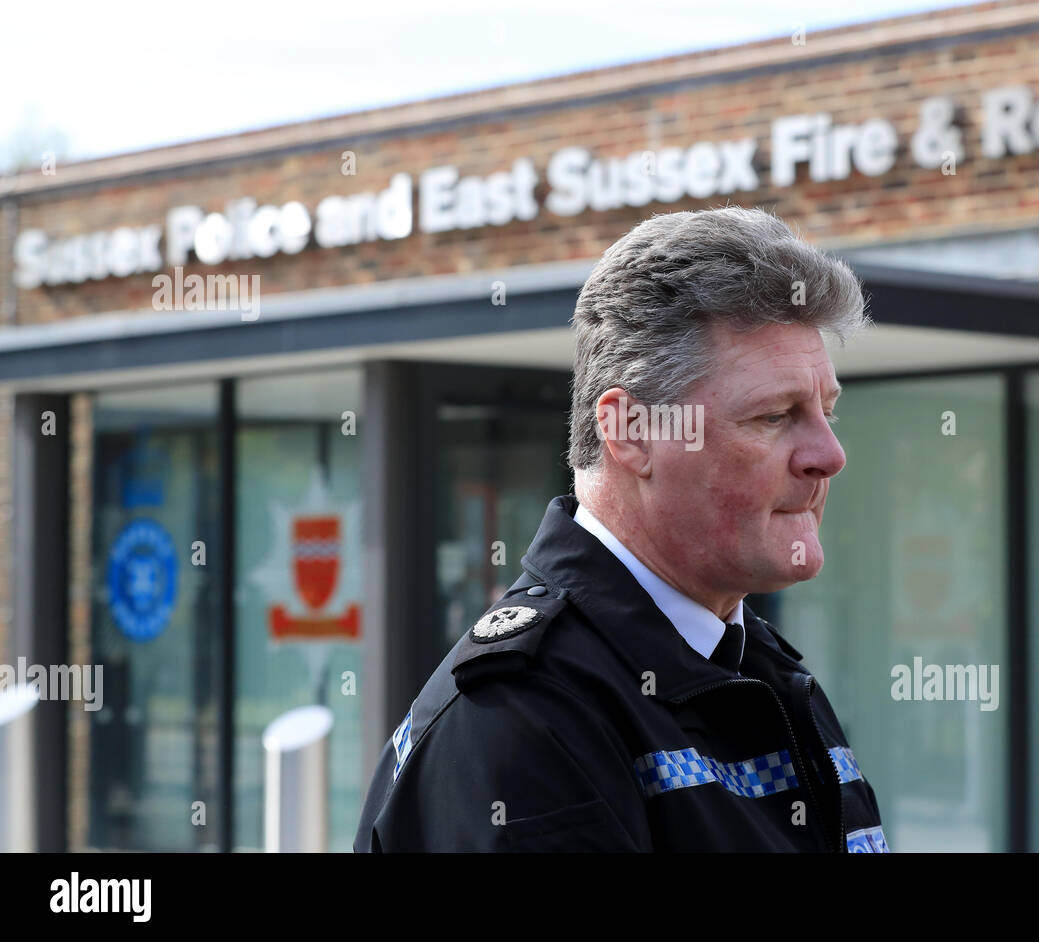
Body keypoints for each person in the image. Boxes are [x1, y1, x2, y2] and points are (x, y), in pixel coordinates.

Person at [353, 205, 888, 852]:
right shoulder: (521, 718)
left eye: (826, 412)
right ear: (632, 432)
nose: (829, 455)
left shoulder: (767, 671)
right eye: (775, 415)